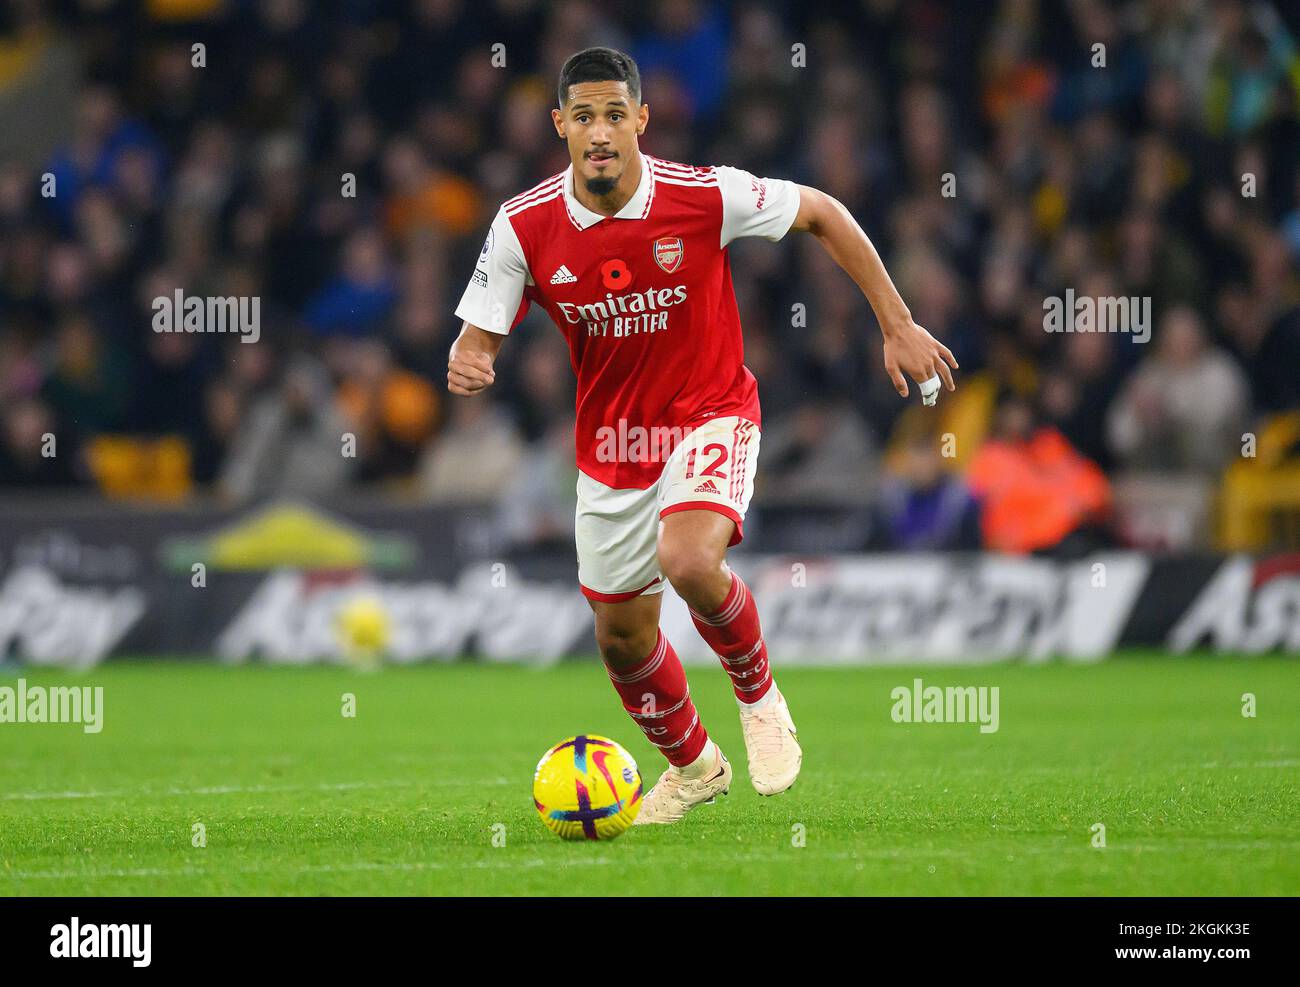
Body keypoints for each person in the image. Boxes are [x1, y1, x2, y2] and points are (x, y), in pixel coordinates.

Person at [446, 48, 956, 824]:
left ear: (641, 120)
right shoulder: (522, 225)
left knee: (687, 558)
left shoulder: (701, 194)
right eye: (584, 116)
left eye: (616, 114)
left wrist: (897, 321)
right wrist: (470, 357)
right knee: (620, 639)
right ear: (561, 127)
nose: (601, 132)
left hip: (711, 411)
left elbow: (822, 209)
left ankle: (759, 695)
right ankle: (694, 766)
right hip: (614, 451)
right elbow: (478, 335)